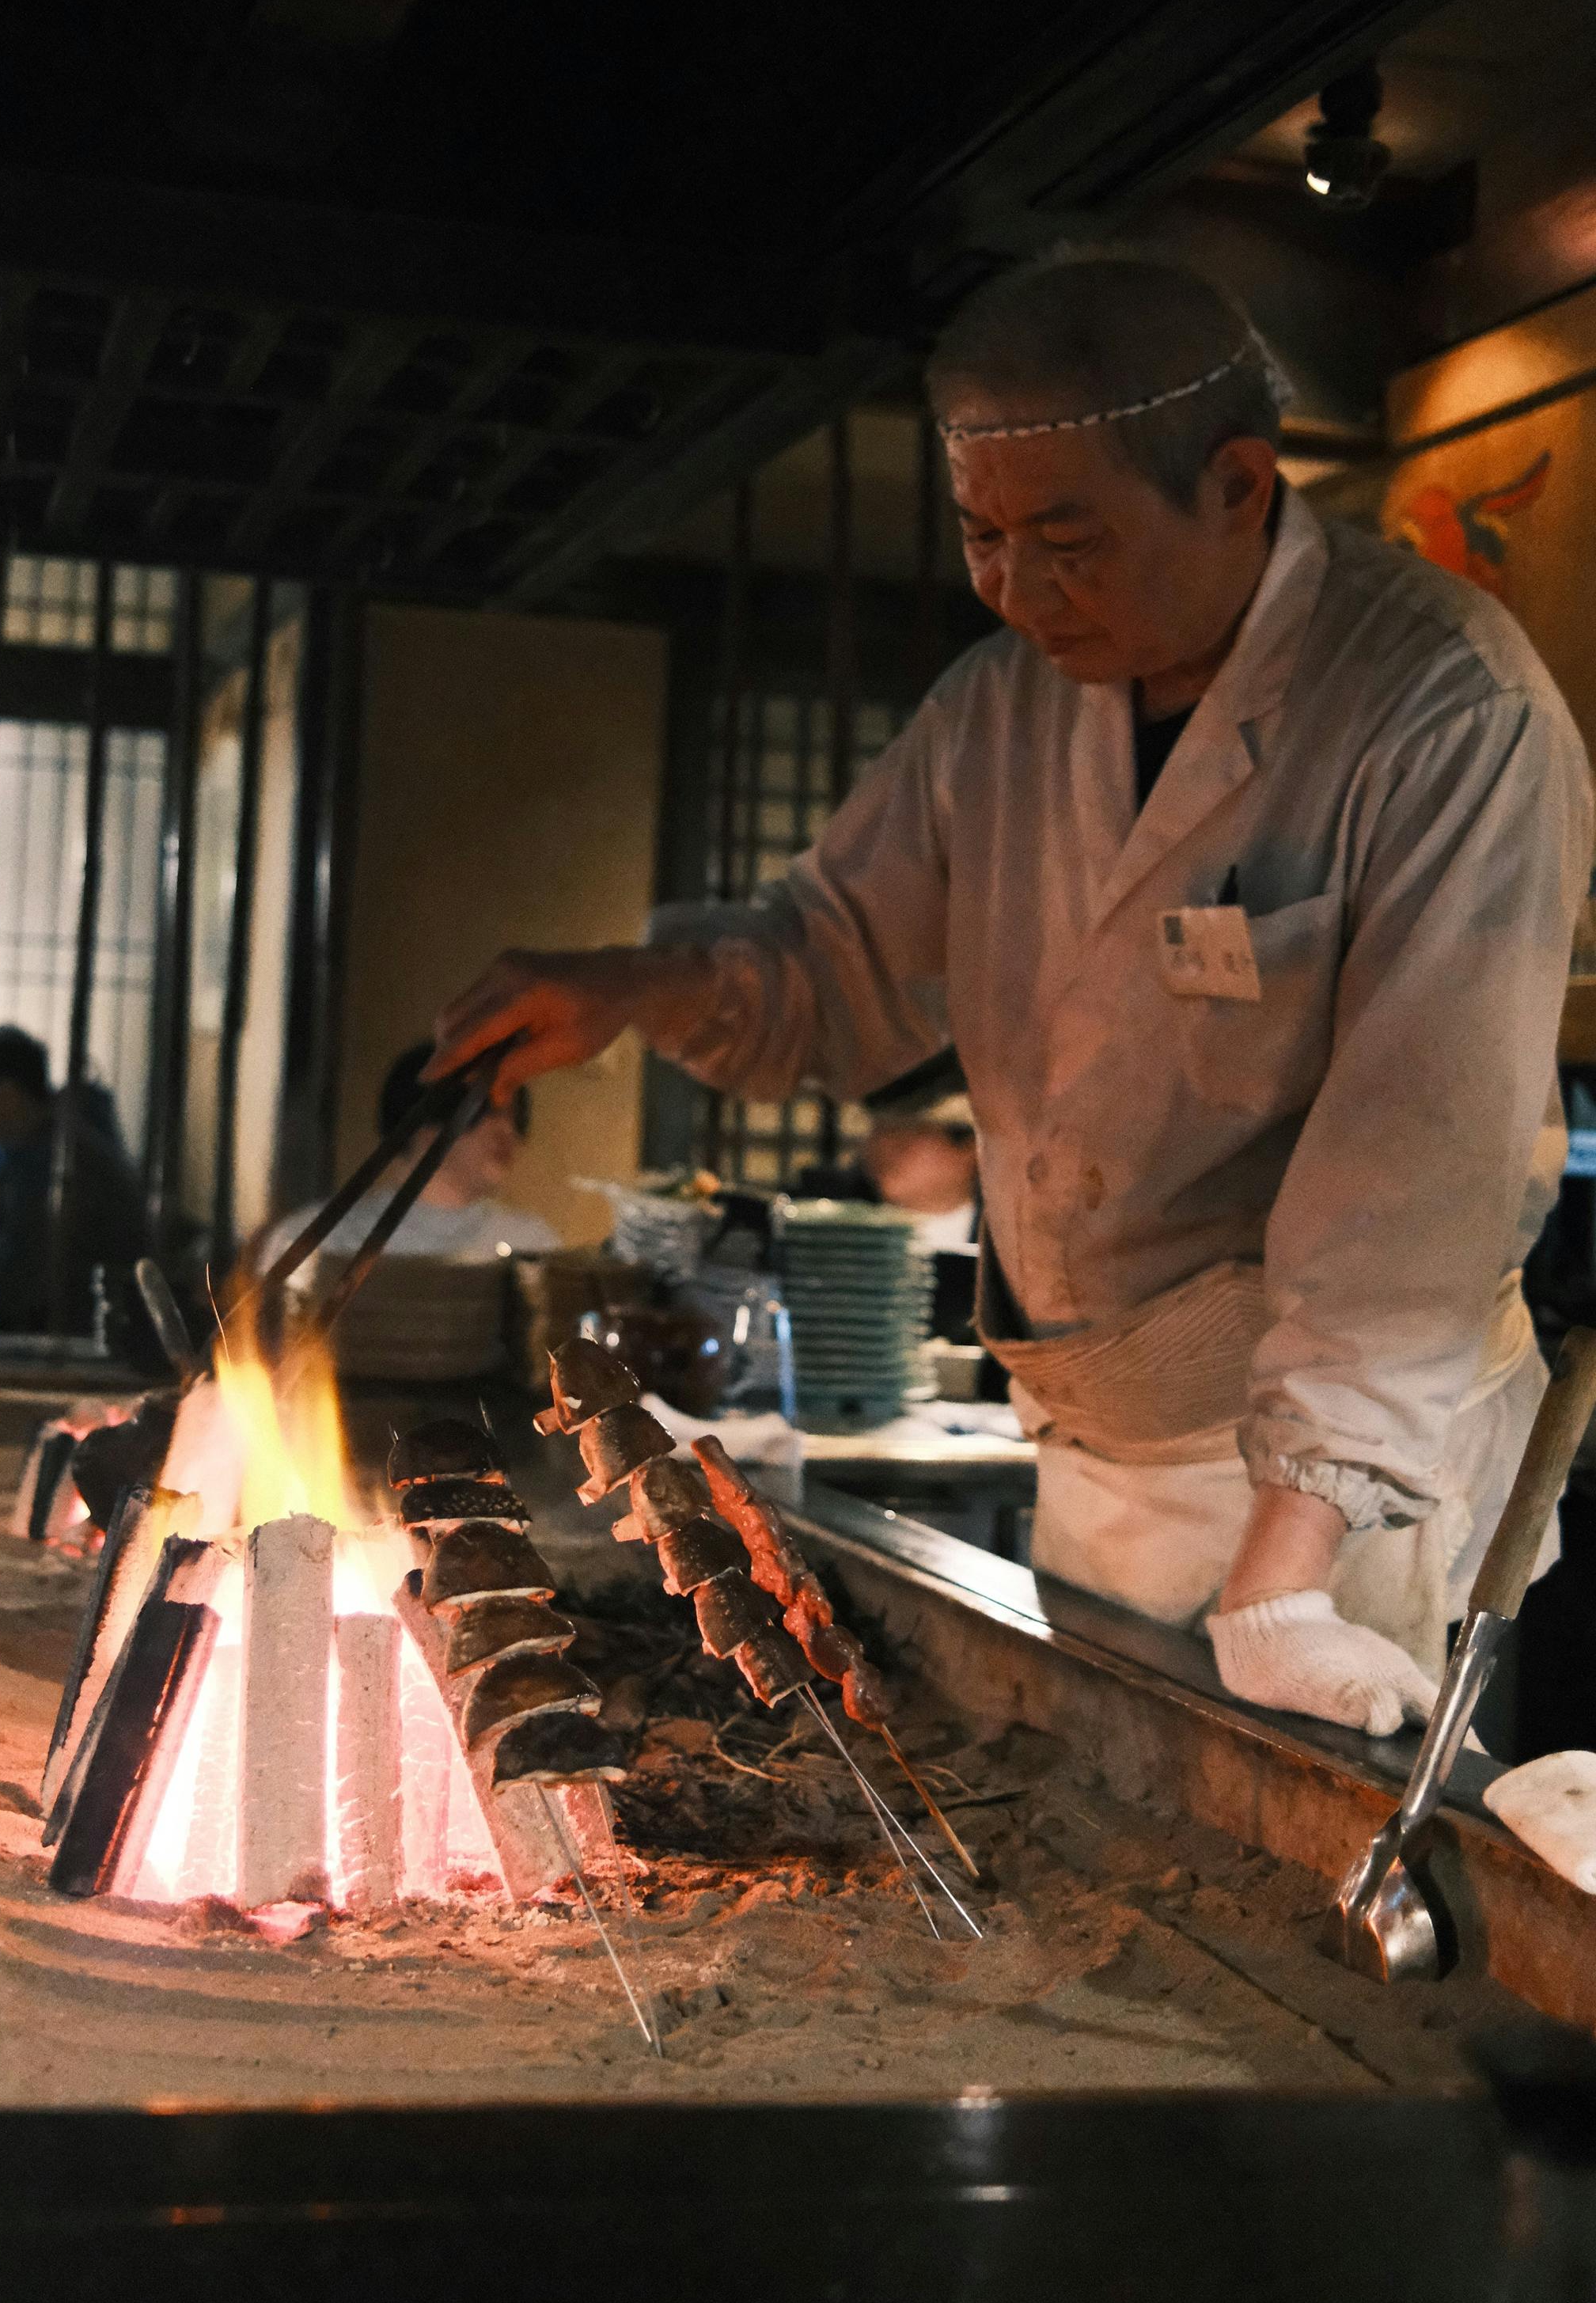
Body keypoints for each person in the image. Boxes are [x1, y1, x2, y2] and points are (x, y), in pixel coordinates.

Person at [426, 248, 1594, 1739]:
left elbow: (1420, 1174)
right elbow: (832, 963)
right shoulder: (1001, 709)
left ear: (1238, 483)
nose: (1017, 589)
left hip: (1348, 1496)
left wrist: (1287, 1579)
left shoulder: (1442, 708)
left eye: (1069, 537)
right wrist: (627, 985)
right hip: (1093, 1448)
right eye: (981, 535)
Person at [260, 1041, 559, 1270]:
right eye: (481, 1110)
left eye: (515, 1117)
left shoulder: (531, 1246)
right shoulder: (316, 1241)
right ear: (420, 1122)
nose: (505, 1129)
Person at [0, 1025, 145, 1334]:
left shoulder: (59, 1165)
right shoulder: (56, 1145)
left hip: (86, 1337)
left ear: (6, 1096)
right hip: (83, 1328)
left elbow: (15, 1277)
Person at [797, 1073, 980, 1246]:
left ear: (970, 1147)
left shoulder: (1001, 1231)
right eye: (878, 1127)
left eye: (906, 1132)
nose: (884, 1144)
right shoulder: (816, 1211)